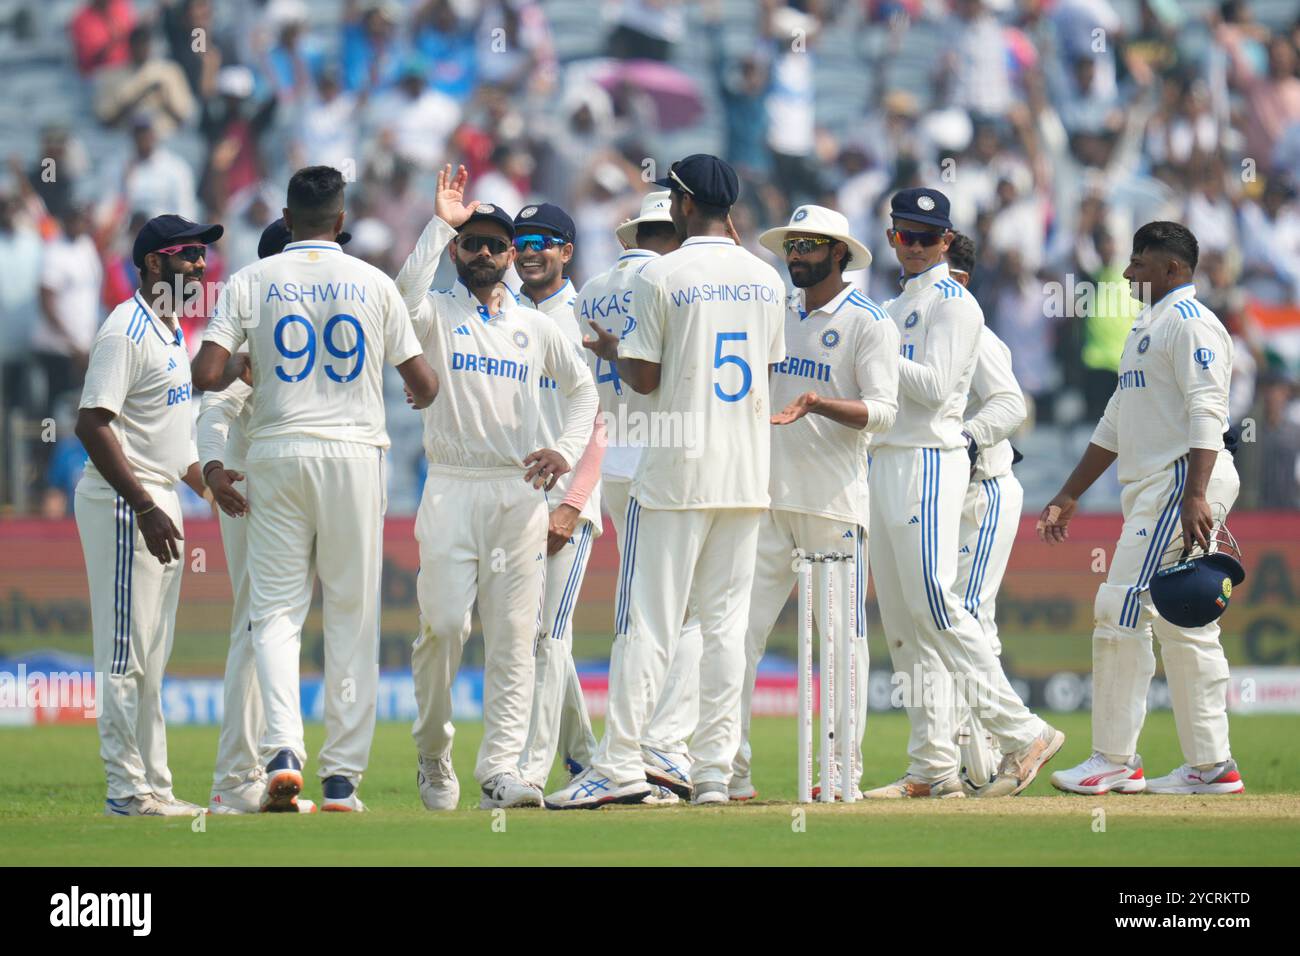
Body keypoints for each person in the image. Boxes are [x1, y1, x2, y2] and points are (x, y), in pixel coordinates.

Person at [193, 166, 438, 813]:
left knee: (273, 614)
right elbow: (426, 384)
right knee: (352, 615)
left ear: (285, 214)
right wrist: (414, 386)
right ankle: (339, 782)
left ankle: (280, 752)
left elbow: (206, 372)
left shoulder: (250, 281)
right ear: (339, 221)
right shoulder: (372, 282)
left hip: (275, 451)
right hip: (354, 454)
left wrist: (240, 361)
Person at [548, 154, 786, 808]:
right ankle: (712, 773)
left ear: (681, 205)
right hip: (746, 474)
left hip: (676, 470)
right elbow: (764, 371)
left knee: (648, 623)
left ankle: (620, 762)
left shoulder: (663, 274)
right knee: (723, 627)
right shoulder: (767, 280)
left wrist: (610, 353)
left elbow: (646, 378)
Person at [394, 166, 598, 811]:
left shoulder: (536, 328)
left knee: (515, 636)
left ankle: (501, 771)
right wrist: (438, 224)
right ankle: (433, 752)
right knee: (446, 626)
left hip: (517, 495)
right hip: (452, 486)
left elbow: (584, 392)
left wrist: (563, 453)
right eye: (471, 243)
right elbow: (398, 301)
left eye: (495, 245)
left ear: (512, 256)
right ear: (457, 250)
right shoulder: (435, 313)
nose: (483, 253)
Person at [865, 187, 1062, 800]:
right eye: (904, 235)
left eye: (926, 236)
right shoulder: (893, 306)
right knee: (902, 620)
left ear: (946, 241)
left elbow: (933, 389)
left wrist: (871, 344)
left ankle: (1022, 731)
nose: (914, 246)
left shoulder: (955, 302)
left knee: (938, 602)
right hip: (888, 459)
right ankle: (933, 767)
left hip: (932, 459)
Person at [1044, 221, 1245, 796]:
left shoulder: (1190, 323)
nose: (1129, 273)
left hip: (1180, 478)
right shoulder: (1146, 325)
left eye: (1142, 263)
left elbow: (1209, 411)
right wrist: (1070, 492)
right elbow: (1114, 420)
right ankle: (1211, 766)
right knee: (1186, 619)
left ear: (1174, 271)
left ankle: (1113, 757)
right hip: (1161, 483)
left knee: (1120, 604)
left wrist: (1197, 493)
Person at [732, 204, 899, 801]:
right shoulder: (774, 312)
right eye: (791, 245)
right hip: (765, 500)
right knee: (736, 636)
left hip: (832, 505)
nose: (796, 255)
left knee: (841, 644)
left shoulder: (868, 321)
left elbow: (884, 412)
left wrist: (820, 403)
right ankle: (732, 770)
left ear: (838, 252)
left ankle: (839, 775)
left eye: (809, 246)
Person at [199, 220, 351, 815]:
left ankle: (259, 772)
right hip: (251, 490)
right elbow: (214, 408)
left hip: (280, 485)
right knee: (256, 627)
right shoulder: (256, 338)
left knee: (268, 627)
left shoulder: (285, 325)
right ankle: (236, 777)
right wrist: (214, 470)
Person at [74, 213, 217, 816]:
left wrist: (211, 488)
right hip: (124, 503)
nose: (200, 266)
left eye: (203, 256)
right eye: (188, 254)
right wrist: (145, 506)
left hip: (159, 499)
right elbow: (91, 422)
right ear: (154, 262)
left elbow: (174, 442)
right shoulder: (125, 330)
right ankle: (125, 789)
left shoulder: (170, 331)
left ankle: (154, 784)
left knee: (152, 657)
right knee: (124, 653)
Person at [572, 190, 703, 801]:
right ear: (673, 230)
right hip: (665, 453)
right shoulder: (678, 281)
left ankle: (647, 742)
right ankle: (661, 744)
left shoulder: (593, 288)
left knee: (648, 601)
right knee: (687, 609)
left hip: (612, 453)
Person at [510, 203, 606, 793]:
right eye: (521, 240)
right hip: (509, 499)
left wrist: (572, 503)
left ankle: (529, 769)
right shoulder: (500, 315)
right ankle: (586, 755)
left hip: (568, 501)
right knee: (536, 636)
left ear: (566, 250)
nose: (528, 250)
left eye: (543, 240)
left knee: (548, 636)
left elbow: (602, 420)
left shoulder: (588, 318)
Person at [944, 232, 1030, 787]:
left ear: (959, 280)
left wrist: (966, 441)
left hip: (988, 486)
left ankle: (1000, 753)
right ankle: (969, 764)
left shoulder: (976, 334)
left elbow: (1011, 405)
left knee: (966, 612)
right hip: (944, 495)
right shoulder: (907, 328)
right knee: (960, 617)